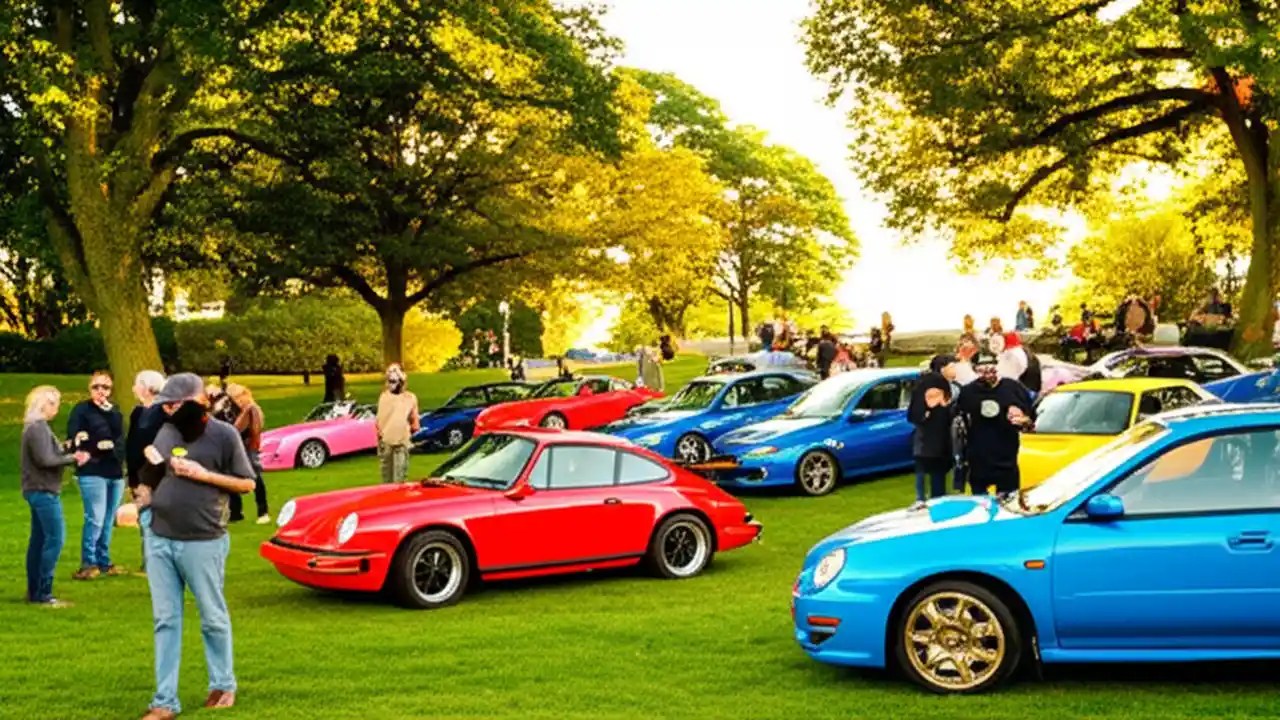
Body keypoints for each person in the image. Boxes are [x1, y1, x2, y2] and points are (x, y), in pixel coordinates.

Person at [134, 373, 256, 719]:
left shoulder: (224, 434)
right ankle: (164, 703)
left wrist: (203, 475)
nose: (168, 411)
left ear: (195, 402)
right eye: (165, 405)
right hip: (159, 536)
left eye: (173, 404)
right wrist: (139, 503)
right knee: (165, 620)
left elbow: (247, 483)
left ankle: (223, 683)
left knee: (212, 617)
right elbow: (151, 476)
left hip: (203, 540)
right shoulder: (168, 430)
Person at [22, 386, 89, 607]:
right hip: (43, 490)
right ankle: (44, 593)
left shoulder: (35, 427)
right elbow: (45, 460)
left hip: (36, 489)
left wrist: (66, 448)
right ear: (45, 404)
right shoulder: (38, 428)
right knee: (54, 539)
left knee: (39, 541)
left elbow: (48, 454)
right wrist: (74, 458)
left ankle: (35, 591)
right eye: (55, 404)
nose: (57, 409)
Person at [69, 370, 126, 580]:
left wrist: (109, 414)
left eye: (106, 387)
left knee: (109, 518)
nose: (101, 391)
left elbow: (119, 438)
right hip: (92, 470)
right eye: (96, 387)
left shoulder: (115, 411)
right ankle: (88, 563)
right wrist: (96, 446)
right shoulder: (82, 410)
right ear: (89, 388)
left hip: (114, 471)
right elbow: (76, 438)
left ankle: (104, 561)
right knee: (96, 518)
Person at [955, 352, 1035, 497]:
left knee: (1008, 502)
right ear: (974, 370)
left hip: (1006, 459)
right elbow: (960, 423)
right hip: (978, 460)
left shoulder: (1013, 388)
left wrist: (1023, 420)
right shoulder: (967, 392)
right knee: (980, 505)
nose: (987, 372)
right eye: (981, 369)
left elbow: (1030, 421)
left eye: (990, 367)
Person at [127, 370, 167, 573]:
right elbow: (132, 444)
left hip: (155, 473)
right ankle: (148, 560)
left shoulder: (161, 413)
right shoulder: (138, 412)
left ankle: (157, 561)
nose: (134, 388)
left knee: (153, 517)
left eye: (136, 384)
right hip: (138, 472)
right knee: (144, 517)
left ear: (146, 387)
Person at [907, 355, 956, 510]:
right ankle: (928, 499)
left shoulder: (946, 384)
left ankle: (926, 498)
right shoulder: (932, 383)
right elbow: (917, 411)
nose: (955, 369)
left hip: (930, 440)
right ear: (943, 368)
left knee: (928, 469)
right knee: (933, 471)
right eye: (952, 366)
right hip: (932, 438)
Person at [226, 384, 270, 525]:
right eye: (234, 398)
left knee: (255, 477)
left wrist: (244, 412)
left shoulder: (252, 409)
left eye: (239, 396)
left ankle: (263, 512)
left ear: (245, 394)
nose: (238, 400)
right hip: (237, 448)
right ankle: (235, 512)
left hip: (249, 447)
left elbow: (248, 430)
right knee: (231, 478)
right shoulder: (235, 410)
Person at [376, 364, 420, 484]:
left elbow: (415, 424)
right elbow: (415, 425)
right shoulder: (388, 397)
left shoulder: (406, 398)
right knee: (393, 482)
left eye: (394, 371)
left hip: (394, 443)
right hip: (392, 443)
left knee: (392, 481)